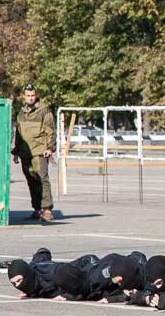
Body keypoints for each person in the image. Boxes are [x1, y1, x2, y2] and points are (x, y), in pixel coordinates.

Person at [13, 85, 57, 222]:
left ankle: (47, 209)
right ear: (24, 97)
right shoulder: (21, 113)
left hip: (39, 151)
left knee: (42, 179)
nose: (31, 98)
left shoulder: (44, 111)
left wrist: (50, 148)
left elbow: (50, 130)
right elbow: (19, 134)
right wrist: (16, 151)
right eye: (28, 96)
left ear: (36, 96)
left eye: (33, 95)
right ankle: (37, 209)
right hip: (26, 153)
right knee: (31, 181)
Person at [7, 249, 99, 299]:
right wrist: (31, 292)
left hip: (87, 264)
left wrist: (66, 295)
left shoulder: (52, 276)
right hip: (42, 265)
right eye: (14, 283)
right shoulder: (33, 267)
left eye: (19, 281)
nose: (18, 285)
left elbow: (84, 291)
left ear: (27, 275)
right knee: (41, 254)